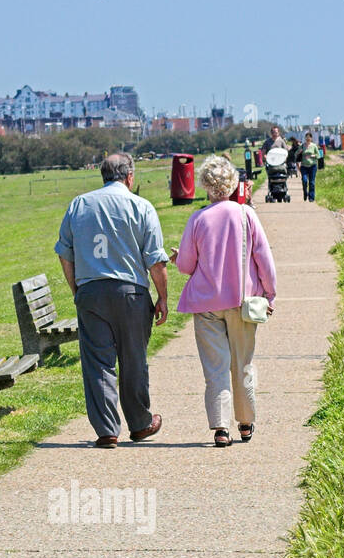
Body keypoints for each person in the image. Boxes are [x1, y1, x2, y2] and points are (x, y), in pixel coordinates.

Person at [55, 152, 168, 448]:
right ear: (130, 176)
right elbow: (156, 260)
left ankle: (107, 429)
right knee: (134, 359)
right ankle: (140, 423)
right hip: (131, 291)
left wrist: (77, 289)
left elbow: (64, 253)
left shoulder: (79, 204)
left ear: (102, 175)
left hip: (91, 291)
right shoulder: (141, 206)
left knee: (98, 362)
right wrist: (163, 297)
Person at [171, 155, 276, 448]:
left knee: (215, 367)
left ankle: (220, 427)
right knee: (242, 364)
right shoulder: (246, 216)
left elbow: (186, 266)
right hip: (242, 302)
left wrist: (179, 257)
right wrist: (270, 294)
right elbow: (264, 260)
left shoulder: (198, 218)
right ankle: (245, 422)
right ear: (232, 185)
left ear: (205, 185)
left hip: (206, 304)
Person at [300, 132, 320, 202]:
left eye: (309, 137)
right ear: (305, 138)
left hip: (312, 166)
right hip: (304, 166)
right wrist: (299, 151)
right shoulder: (302, 146)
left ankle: (311, 197)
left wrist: (311, 156)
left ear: (311, 138)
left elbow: (318, 155)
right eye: (306, 137)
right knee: (305, 180)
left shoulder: (314, 146)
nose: (308, 139)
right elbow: (296, 154)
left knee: (312, 182)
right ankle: (305, 192)